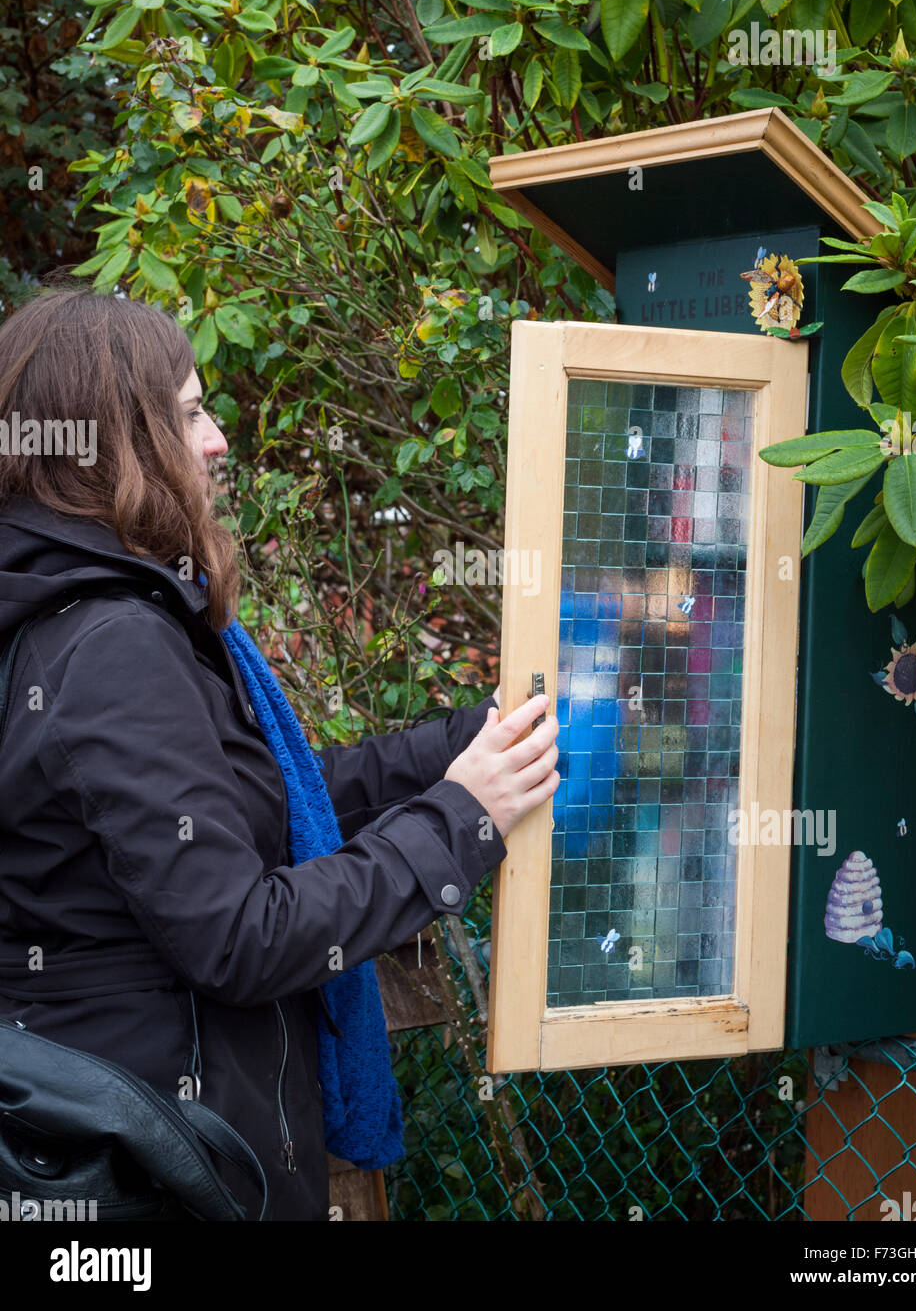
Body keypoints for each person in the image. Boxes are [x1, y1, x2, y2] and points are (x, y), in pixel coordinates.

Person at [0, 283, 560, 1220]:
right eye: (187, 414)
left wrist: (464, 745)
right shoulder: (110, 644)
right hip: (160, 1165)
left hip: (123, 1132)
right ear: (117, 445)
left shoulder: (65, 611)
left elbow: (259, 805)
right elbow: (241, 936)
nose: (216, 439)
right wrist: (458, 824)